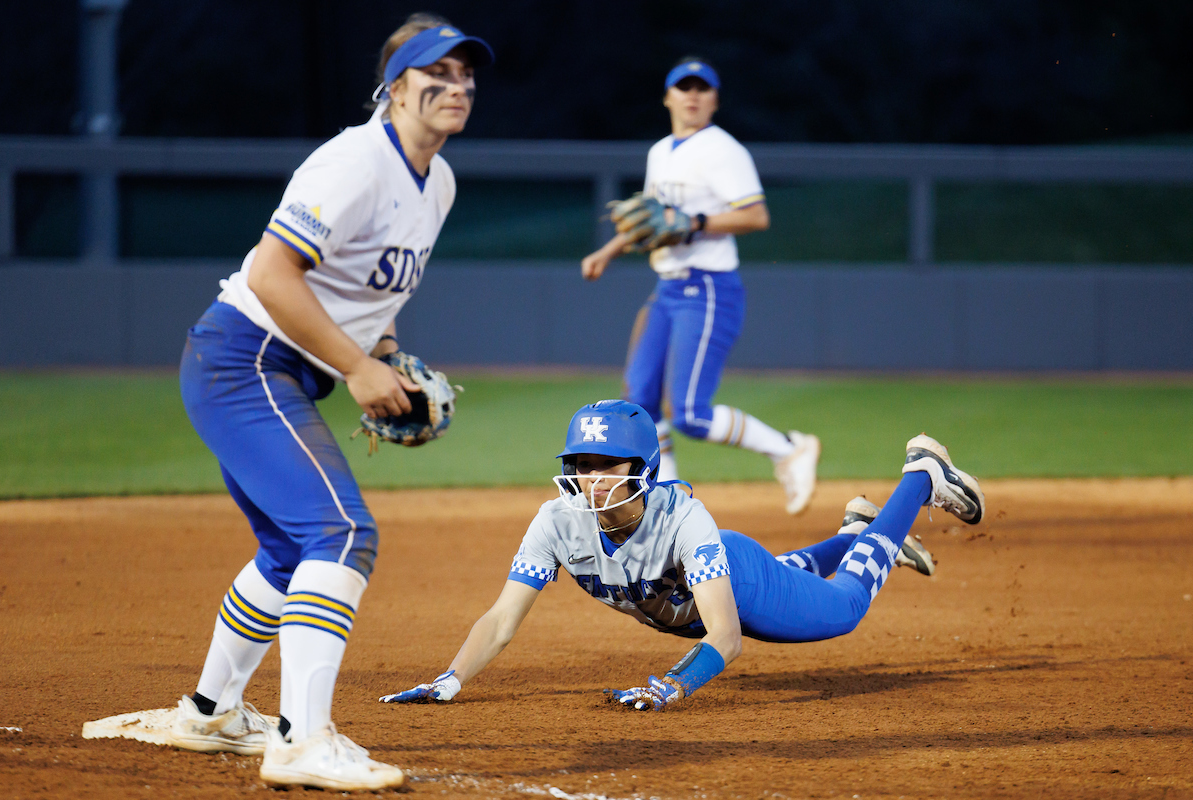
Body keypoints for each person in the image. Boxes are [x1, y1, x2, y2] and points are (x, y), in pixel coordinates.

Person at [165, 13, 493, 792]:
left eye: (466, 76)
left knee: (290, 549)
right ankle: (301, 740)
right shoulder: (354, 163)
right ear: (393, 88)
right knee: (341, 533)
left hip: (270, 369)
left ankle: (210, 712)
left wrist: (383, 355)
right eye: (435, 75)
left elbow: (364, 290)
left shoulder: (437, 180)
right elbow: (275, 272)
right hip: (244, 359)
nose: (457, 88)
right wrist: (355, 367)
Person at [379, 400, 982, 711]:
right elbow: (502, 618)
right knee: (790, 573)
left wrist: (674, 686)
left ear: (642, 469)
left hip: (736, 587)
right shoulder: (556, 523)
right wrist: (450, 680)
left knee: (846, 606)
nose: (588, 480)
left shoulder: (683, 520)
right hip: (718, 575)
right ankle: (855, 534)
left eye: (603, 466)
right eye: (579, 467)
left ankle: (922, 477)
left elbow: (725, 636)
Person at [580, 57, 821, 516]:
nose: (692, 96)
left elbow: (756, 215)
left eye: (702, 89)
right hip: (667, 287)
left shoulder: (722, 149)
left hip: (708, 288)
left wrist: (695, 222)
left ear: (714, 100)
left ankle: (788, 449)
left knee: (689, 413)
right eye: (683, 87)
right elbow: (651, 218)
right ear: (667, 97)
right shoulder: (660, 152)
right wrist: (608, 251)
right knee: (640, 405)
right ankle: (668, 504)